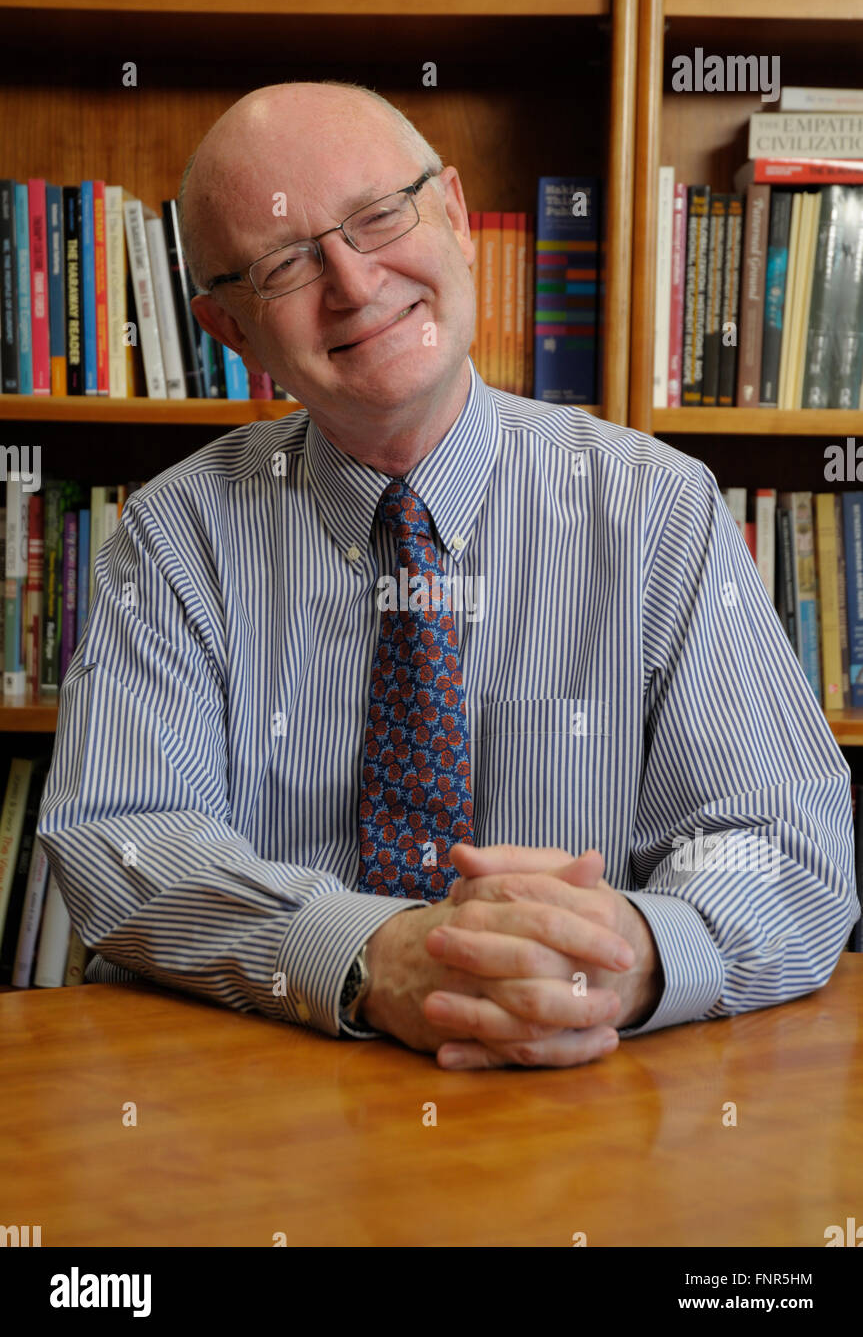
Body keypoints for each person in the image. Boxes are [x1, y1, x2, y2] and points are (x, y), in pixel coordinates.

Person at [36, 81, 860, 1072]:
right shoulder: (173, 537)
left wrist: (633, 953)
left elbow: (786, 845)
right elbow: (120, 838)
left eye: (379, 215)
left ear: (458, 217)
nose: (352, 282)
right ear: (231, 335)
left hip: (589, 1098)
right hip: (268, 1105)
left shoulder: (655, 508)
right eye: (285, 263)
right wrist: (368, 956)